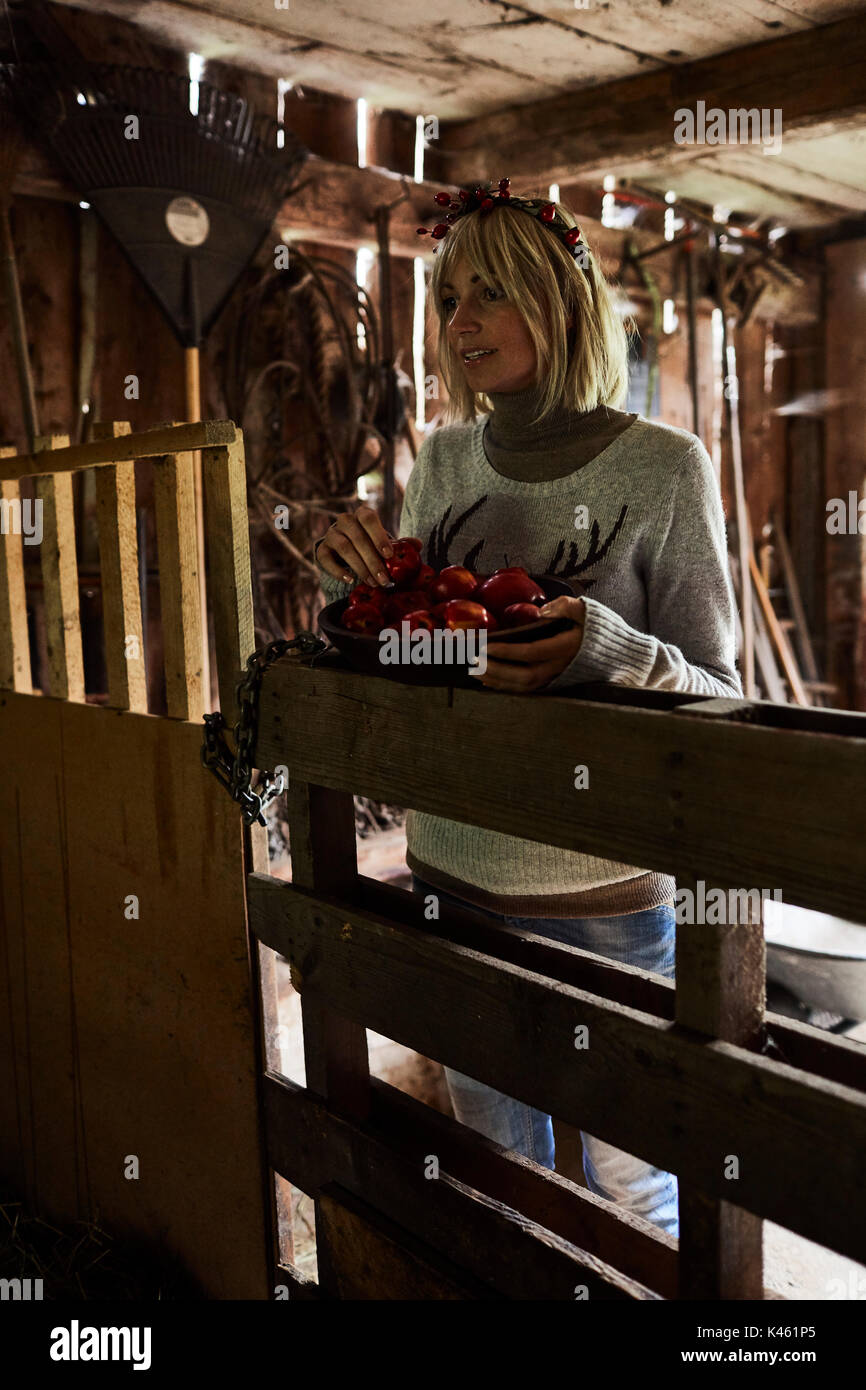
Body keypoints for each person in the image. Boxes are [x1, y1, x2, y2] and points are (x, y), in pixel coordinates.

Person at [314, 183, 743, 1239]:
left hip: (598, 889)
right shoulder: (446, 462)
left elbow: (721, 693)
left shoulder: (664, 467)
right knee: (496, 1166)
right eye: (448, 297)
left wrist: (603, 647)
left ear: (560, 302)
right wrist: (359, 604)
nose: (458, 323)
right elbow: (432, 655)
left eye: (489, 294)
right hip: (448, 872)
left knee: (635, 1186)